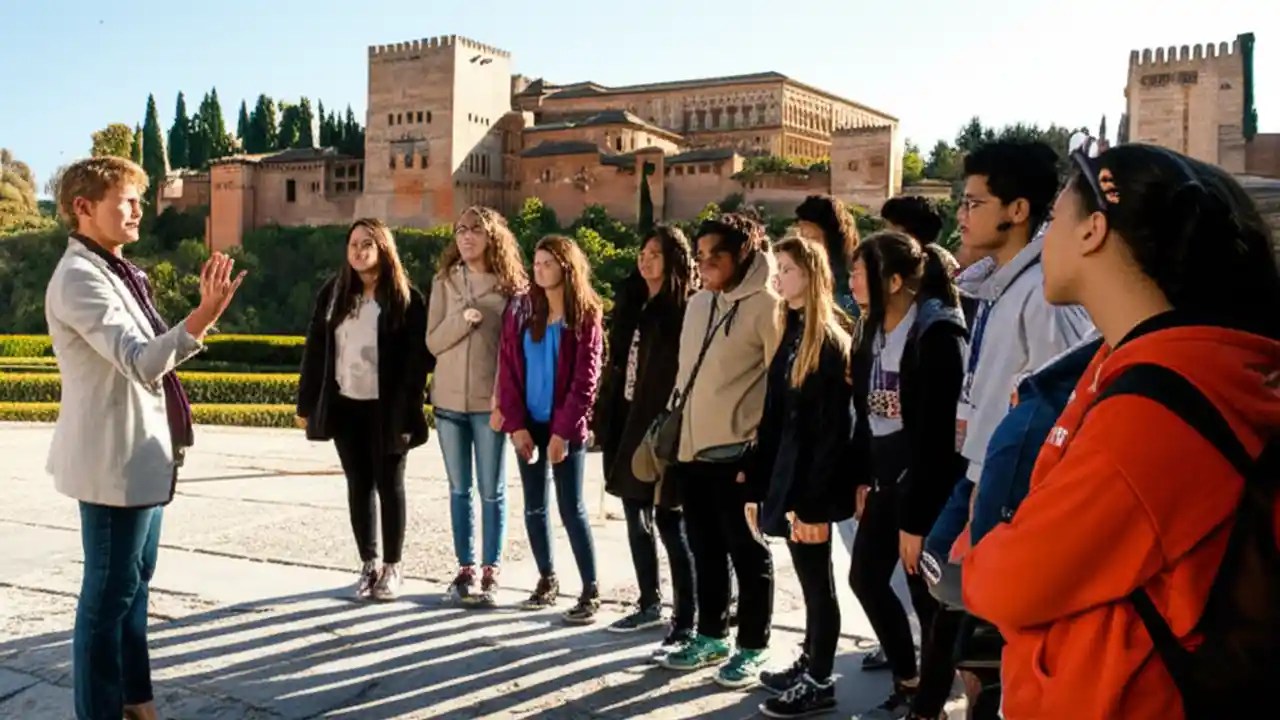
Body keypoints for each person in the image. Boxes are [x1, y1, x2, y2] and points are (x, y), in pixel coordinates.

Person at [965, 142, 1280, 719]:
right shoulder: (1147, 364)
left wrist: (985, 548)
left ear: (1093, 232)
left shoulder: (1151, 413)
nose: (1045, 239)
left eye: (1055, 220)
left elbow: (1006, 584)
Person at [45, 156, 245, 720]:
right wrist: (200, 319)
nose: (138, 210)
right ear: (84, 208)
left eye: (138, 198)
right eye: (126, 200)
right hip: (114, 466)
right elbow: (139, 362)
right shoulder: (81, 277)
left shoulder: (113, 268)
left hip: (142, 459)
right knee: (106, 602)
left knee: (133, 592)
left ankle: (138, 702)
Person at [844, 231, 969, 719]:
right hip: (883, 476)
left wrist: (915, 521)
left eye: (861, 270)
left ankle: (930, 705)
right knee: (867, 579)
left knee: (929, 602)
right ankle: (909, 678)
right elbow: (865, 415)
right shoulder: (869, 330)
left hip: (925, 484)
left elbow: (939, 441)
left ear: (895, 280)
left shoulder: (936, 335)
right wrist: (861, 475)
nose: (852, 279)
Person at [658, 213, 782, 689]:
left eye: (717, 256)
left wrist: (759, 455)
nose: (705, 264)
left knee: (747, 552)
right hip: (691, 448)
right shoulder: (696, 304)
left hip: (736, 454)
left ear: (743, 257)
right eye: (701, 255)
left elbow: (778, 387)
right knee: (705, 549)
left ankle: (753, 645)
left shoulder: (767, 306)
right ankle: (712, 636)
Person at [297, 218, 431, 603]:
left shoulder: (405, 298)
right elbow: (316, 349)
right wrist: (307, 402)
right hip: (346, 405)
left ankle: (393, 565)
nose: (358, 251)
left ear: (383, 249)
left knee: (390, 486)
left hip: (388, 409)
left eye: (367, 244)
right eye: (353, 244)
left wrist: (408, 405)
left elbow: (415, 361)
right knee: (358, 486)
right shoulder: (334, 293)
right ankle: (368, 563)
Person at [750, 234, 853, 718]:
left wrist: (814, 506)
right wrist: (758, 484)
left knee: (818, 585)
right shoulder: (790, 332)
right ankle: (811, 659)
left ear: (811, 276)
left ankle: (820, 680)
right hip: (788, 480)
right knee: (811, 580)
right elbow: (773, 418)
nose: (778, 277)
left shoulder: (828, 342)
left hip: (812, 487)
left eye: (787, 269)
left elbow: (834, 433)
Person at [593, 225, 697, 643]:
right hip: (625, 419)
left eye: (656, 253)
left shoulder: (682, 309)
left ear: (673, 259)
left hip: (662, 426)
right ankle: (649, 601)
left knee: (671, 522)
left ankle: (686, 616)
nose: (645, 258)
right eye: (643, 250)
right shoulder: (633, 302)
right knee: (636, 516)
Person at [497, 235, 605, 624]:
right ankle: (547, 579)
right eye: (536, 263)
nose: (539, 269)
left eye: (548, 263)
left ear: (566, 266)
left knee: (571, 507)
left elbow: (585, 382)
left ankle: (590, 588)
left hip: (565, 426)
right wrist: (516, 425)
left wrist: (564, 432)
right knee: (534, 505)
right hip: (529, 422)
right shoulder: (522, 310)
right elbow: (507, 371)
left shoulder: (586, 314)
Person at [428, 206, 528, 607]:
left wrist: (504, 399)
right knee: (458, 490)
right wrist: (462, 321)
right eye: (460, 229)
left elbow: (514, 353)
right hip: (448, 402)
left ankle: (491, 570)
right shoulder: (443, 282)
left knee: (492, 490)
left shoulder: (509, 288)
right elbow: (432, 342)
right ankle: (465, 568)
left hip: (490, 405)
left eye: (475, 230)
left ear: (492, 237)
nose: (466, 236)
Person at [794, 194, 861, 316]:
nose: (804, 247)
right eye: (801, 238)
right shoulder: (796, 279)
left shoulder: (852, 292)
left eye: (812, 239)